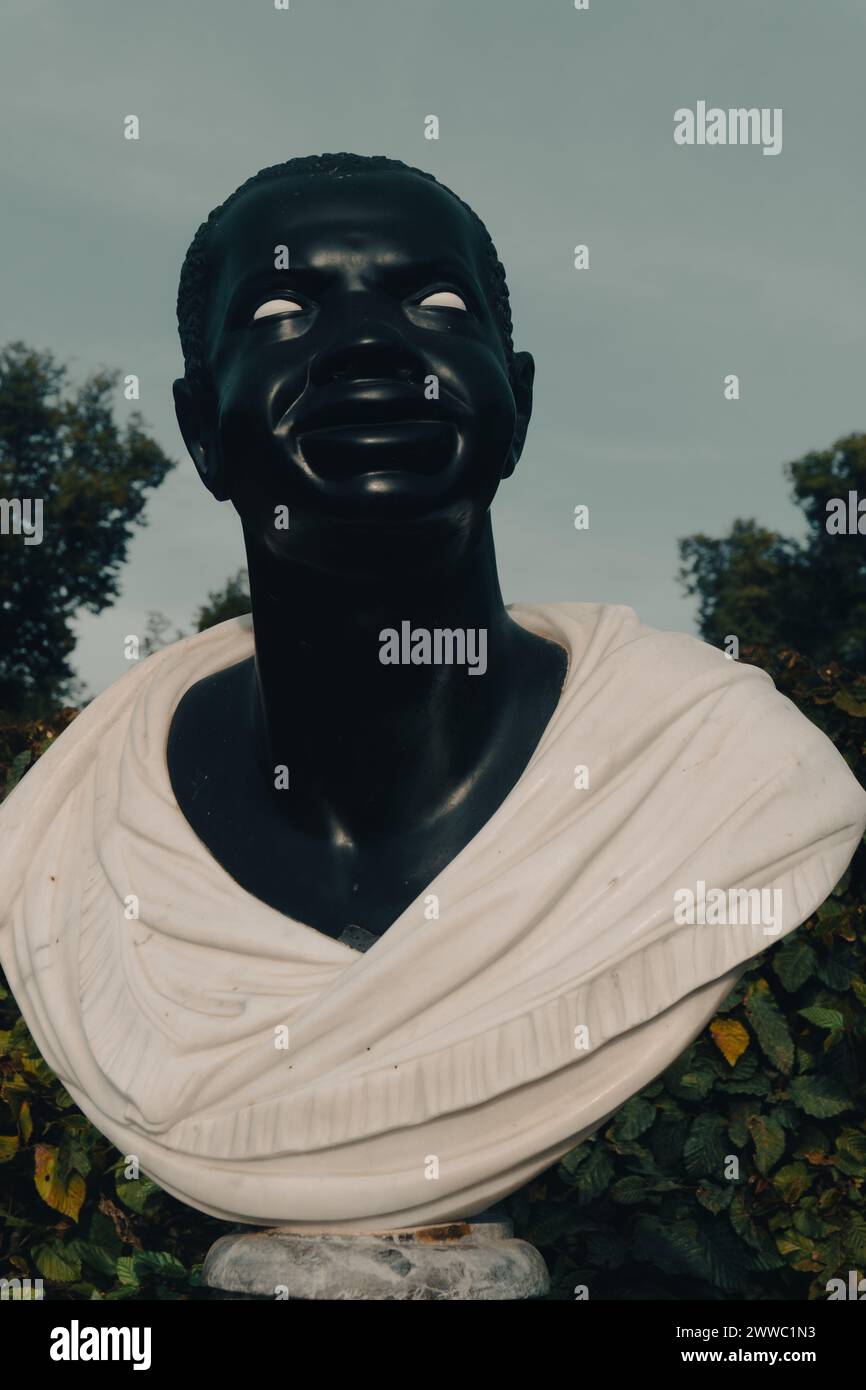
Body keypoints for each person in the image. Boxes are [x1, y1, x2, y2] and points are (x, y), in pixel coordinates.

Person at [1, 155, 863, 1232]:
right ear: (198, 431)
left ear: (519, 404)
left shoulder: (728, 786)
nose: (366, 342)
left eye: (435, 302)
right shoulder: (56, 850)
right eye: (279, 310)